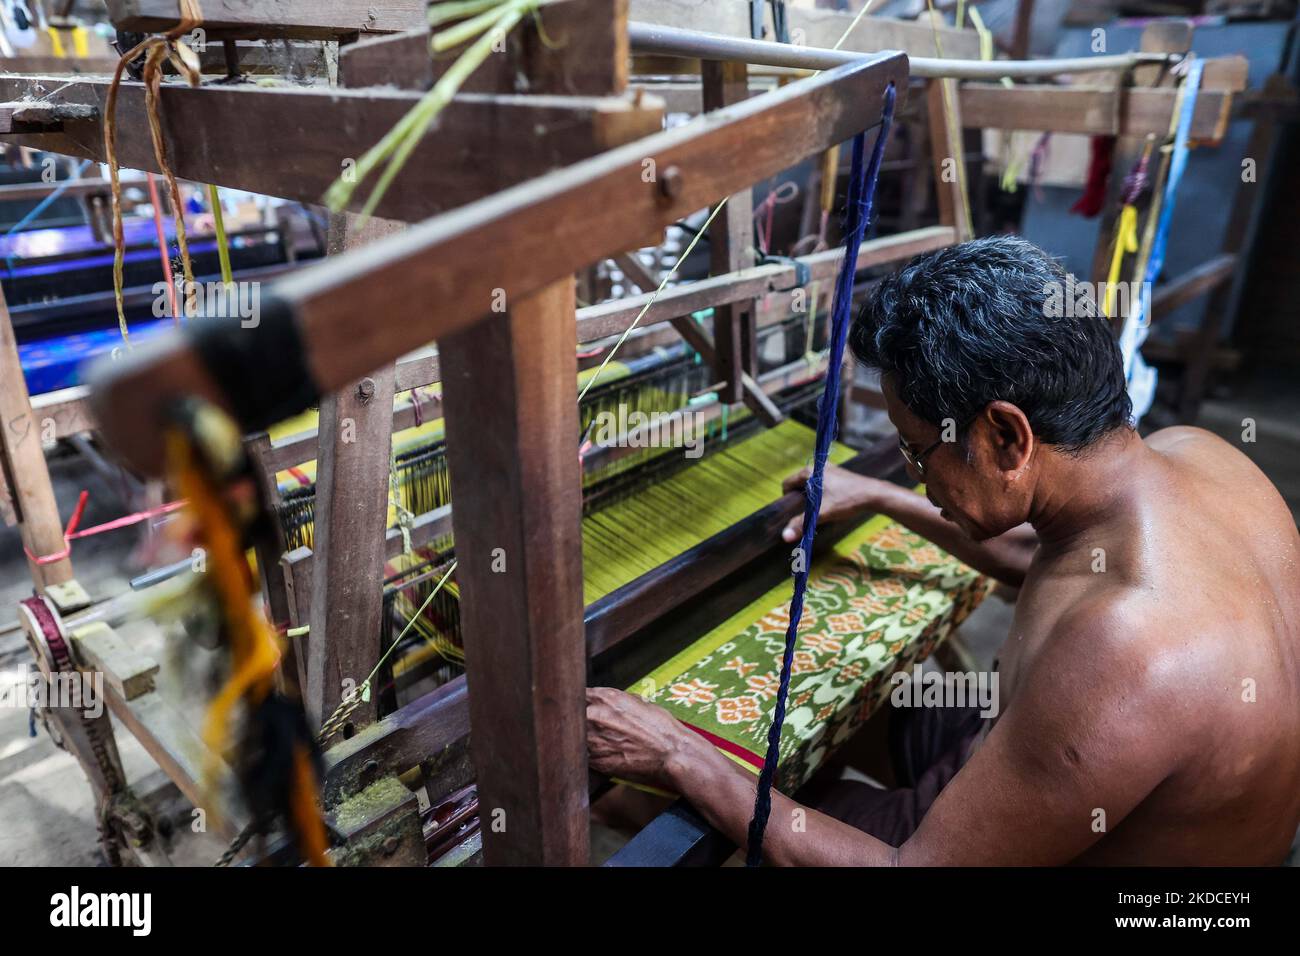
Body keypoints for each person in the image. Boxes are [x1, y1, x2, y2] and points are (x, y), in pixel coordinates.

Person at [586, 236, 1300, 865]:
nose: (919, 479)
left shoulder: (1126, 648)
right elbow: (1053, 568)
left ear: (1006, 437)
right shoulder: (1195, 456)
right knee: (845, 717)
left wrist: (679, 754)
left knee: (657, 810)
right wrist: (878, 497)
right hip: (1027, 756)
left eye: (918, 452)